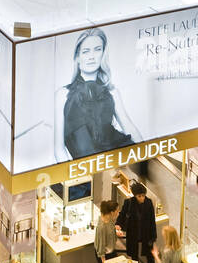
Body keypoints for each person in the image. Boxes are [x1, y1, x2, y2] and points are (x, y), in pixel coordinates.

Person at [57, 27, 140, 162]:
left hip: (115, 160)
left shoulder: (112, 92)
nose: (91, 57)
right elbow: (59, 149)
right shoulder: (63, 94)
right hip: (84, 169)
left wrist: (146, 158)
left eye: (97, 49)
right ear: (77, 57)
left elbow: (131, 129)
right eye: (85, 51)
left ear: (103, 54)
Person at [116, 182, 157, 263]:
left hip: (145, 234)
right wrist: (118, 224)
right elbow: (122, 214)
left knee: (149, 256)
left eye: (143, 195)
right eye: (139, 196)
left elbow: (152, 220)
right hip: (133, 233)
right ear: (135, 195)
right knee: (134, 256)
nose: (142, 198)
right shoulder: (129, 203)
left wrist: (153, 236)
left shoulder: (149, 203)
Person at [93, 199, 120, 263]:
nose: (119, 213)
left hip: (110, 250)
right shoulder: (102, 227)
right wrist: (103, 261)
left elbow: (110, 228)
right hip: (104, 254)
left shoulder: (109, 219)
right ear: (112, 212)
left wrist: (115, 230)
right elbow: (101, 245)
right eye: (117, 211)